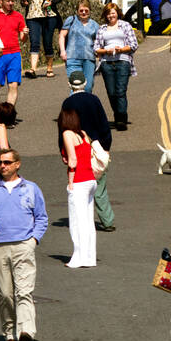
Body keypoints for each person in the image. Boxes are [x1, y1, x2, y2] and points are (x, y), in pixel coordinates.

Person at [0, 148, 49, 341]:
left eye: (7, 162)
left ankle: (25, 332)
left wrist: (34, 240)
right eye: (0, 163)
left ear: (18, 164)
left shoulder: (31, 188)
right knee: (5, 294)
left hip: (23, 245)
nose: (3, 166)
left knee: (24, 291)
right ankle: (9, 334)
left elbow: (42, 217)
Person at [61, 72, 116, 232]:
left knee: (81, 185)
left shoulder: (67, 103)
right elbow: (104, 125)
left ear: (70, 84)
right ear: (85, 83)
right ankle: (107, 220)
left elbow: (63, 127)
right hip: (97, 147)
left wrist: (63, 152)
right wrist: (106, 147)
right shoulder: (94, 100)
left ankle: (83, 220)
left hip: (77, 148)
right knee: (99, 185)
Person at [59, 108, 96, 268]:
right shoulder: (83, 134)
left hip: (79, 180)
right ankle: (89, 257)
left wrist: (70, 182)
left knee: (76, 221)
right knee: (88, 221)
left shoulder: (67, 134)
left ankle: (78, 257)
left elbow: (73, 160)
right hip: (91, 179)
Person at [94, 1, 139, 131]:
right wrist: (106, 51)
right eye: (108, 14)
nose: (110, 16)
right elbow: (96, 48)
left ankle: (121, 119)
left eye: (112, 13)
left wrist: (121, 49)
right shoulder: (102, 29)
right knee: (111, 93)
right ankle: (117, 115)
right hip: (106, 63)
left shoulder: (125, 25)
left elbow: (133, 45)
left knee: (120, 91)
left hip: (123, 61)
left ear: (117, 13)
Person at [20, 0, 63, 79]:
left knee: (47, 42)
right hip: (33, 16)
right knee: (34, 42)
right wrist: (24, 3)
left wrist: (51, 3)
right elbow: (23, 0)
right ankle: (33, 69)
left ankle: (49, 67)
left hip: (48, 16)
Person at [0, 0, 28, 107]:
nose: (10, 3)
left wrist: (25, 34)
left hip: (14, 54)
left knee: (13, 85)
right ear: (1, 1)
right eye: (8, 1)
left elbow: (23, 39)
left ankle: (8, 116)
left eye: (12, 1)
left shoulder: (18, 16)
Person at [58, 0, 100, 93]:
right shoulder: (71, 20)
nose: (84, 12)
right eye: (81, 10)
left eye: (86, 10)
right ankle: (73, 107)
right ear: (77, 11)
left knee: (88, 87)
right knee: (76, 87)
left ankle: (84, 107)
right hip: (72, 58)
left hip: (89, 59)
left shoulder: (95, 25)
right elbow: (62, 35)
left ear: (90, 10)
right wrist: (62, 51)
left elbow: (99, 41)